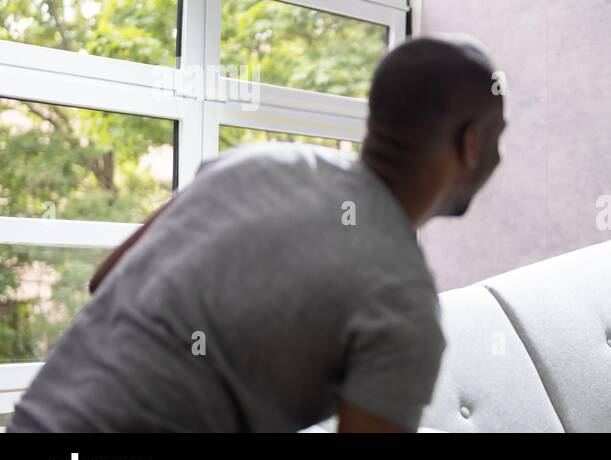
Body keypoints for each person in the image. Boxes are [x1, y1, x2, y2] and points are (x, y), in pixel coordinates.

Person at [8, 35, 506, 432]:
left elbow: (106, 281)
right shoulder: (403, 303)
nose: (499, 159)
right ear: (471, 142)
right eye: (497, 139)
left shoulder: (255, 162)